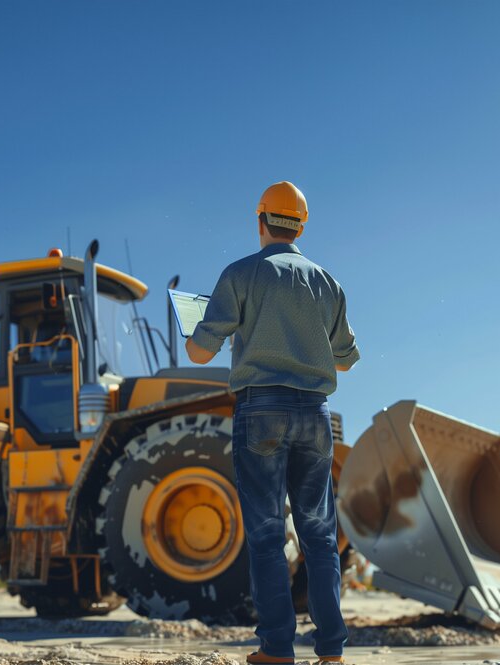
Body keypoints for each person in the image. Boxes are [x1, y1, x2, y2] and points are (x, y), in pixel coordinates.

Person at [185, 181, 359, 665]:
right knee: (320, 536)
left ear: (260, 221)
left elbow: (200, 353)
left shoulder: (240, 274)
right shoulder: (328, 282)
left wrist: (199, 334)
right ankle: (331, 653)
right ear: (301, 225)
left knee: (265, 534)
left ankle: (277, 651)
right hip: (316, 414)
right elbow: (345, 360)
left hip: (260, 409)